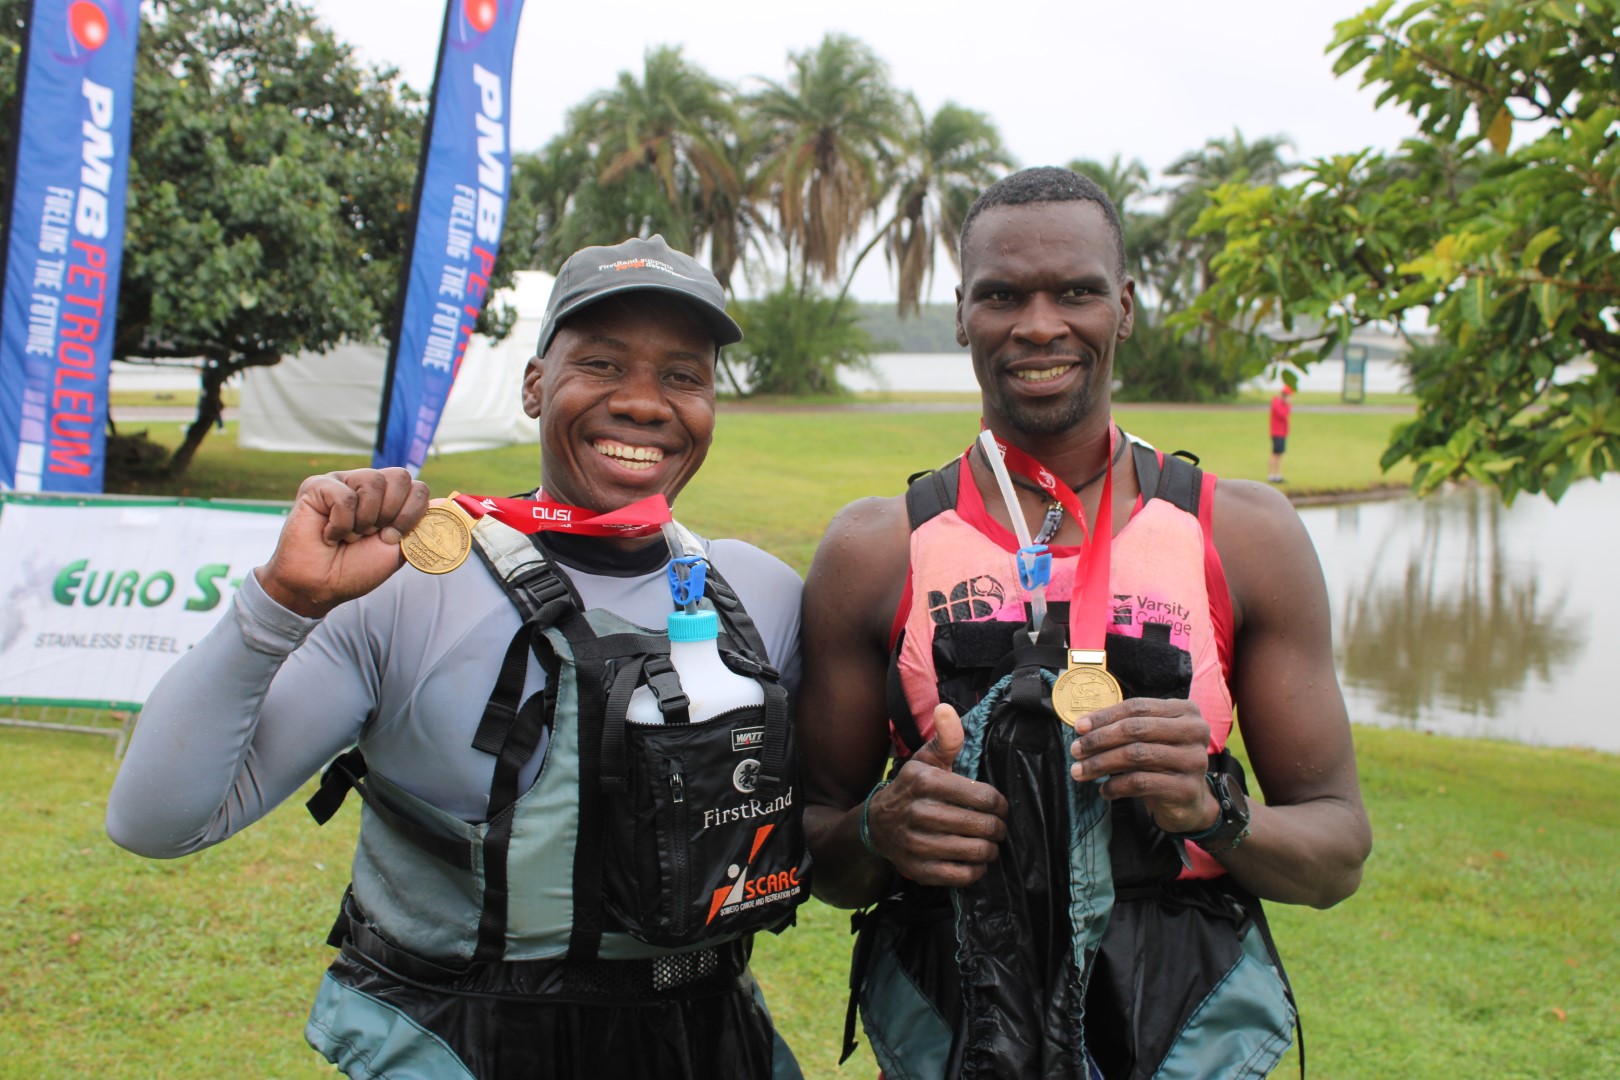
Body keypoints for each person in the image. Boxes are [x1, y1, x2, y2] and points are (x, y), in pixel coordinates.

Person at [107, 236, 808, 1080]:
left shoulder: (762, 596)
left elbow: (824, 836)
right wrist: (282, 604)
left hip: (707, 1040)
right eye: (602, 365)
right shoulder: (405, 585)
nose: (645, 404)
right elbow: (156, 823)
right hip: (456, 1041)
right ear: (534, 386)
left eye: (683, 376)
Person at [799, 168, 1371, 1078]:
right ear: (960, 314)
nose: (1038, 324)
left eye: (1075, 291)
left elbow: (1337, 850)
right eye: (1002, 295)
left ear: (1126, 306)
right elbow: (819, 853)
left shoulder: (1242, 534)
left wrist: (1216, 811)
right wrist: (880, 829)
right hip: (957, 1014)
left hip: (1178, 1008)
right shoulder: (876, 550)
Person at [1269, 384, 1294, 482]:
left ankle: (1278, 474)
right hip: (1277, 432)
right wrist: (1288, 405)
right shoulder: (1278, 404)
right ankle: (1272, 474)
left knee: (1279, 455)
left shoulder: (1282, 404)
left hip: (1282, 433)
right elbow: (1282, 414)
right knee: (1275, 454)